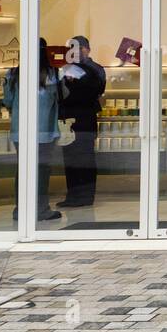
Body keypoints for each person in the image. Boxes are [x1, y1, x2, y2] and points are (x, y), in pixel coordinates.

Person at [4, 38, 62, 222]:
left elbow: (7, 100)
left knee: (23, 170)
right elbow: (62, 97)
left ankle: (20, 210)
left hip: (20, 130)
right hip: (45, 130)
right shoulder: (52, 74)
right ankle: (41, 209)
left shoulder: (13, 74)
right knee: (42, 170)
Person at [57, 35, 106, 209]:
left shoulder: (94, 69)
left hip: (85, 118)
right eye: (72, 49)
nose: (76, 52)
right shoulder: (66, 69)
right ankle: (73, 195)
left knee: (85, 158)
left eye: (79, 49)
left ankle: (85, 195)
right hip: (69, 119)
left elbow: (98, 90)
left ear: (87, 49)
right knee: (70, 157)